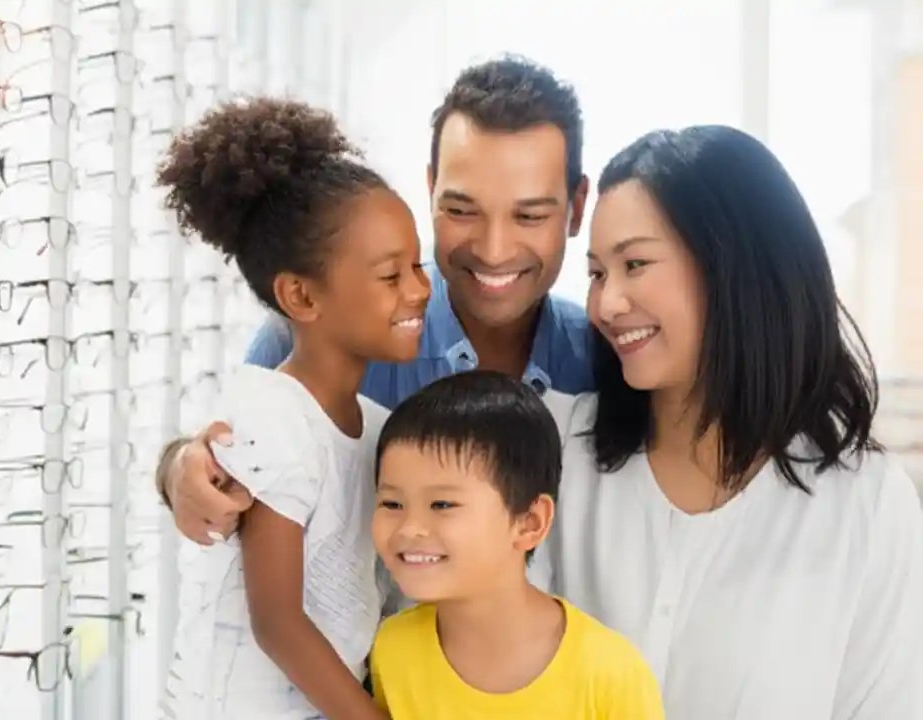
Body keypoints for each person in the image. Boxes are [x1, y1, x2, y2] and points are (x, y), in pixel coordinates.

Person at [533, 124, 923, 719]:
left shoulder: (864, 502)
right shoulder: (558, 451)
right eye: (595, 274)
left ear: (732, 267)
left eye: (635, 263)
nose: (606, 304)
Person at [154, 54, 595, 545]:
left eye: (529, 217)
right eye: (461, 210)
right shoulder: (322, 326)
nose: (494, 250)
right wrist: (179, 471)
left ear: (576, 210)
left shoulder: (606, 359)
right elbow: (225, 449)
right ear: (430, 189)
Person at [155, 96, 429, 719]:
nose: (418, 289)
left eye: (418, 265)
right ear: (301, 295)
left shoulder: (379, 428)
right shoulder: (271, 416)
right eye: (391, 275)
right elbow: (277, 621)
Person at [369, 370, 664, 718]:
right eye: (391, 504)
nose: (410, 528)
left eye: (442, 505)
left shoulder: (610, 675)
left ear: (529, 522)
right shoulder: (393, 648)